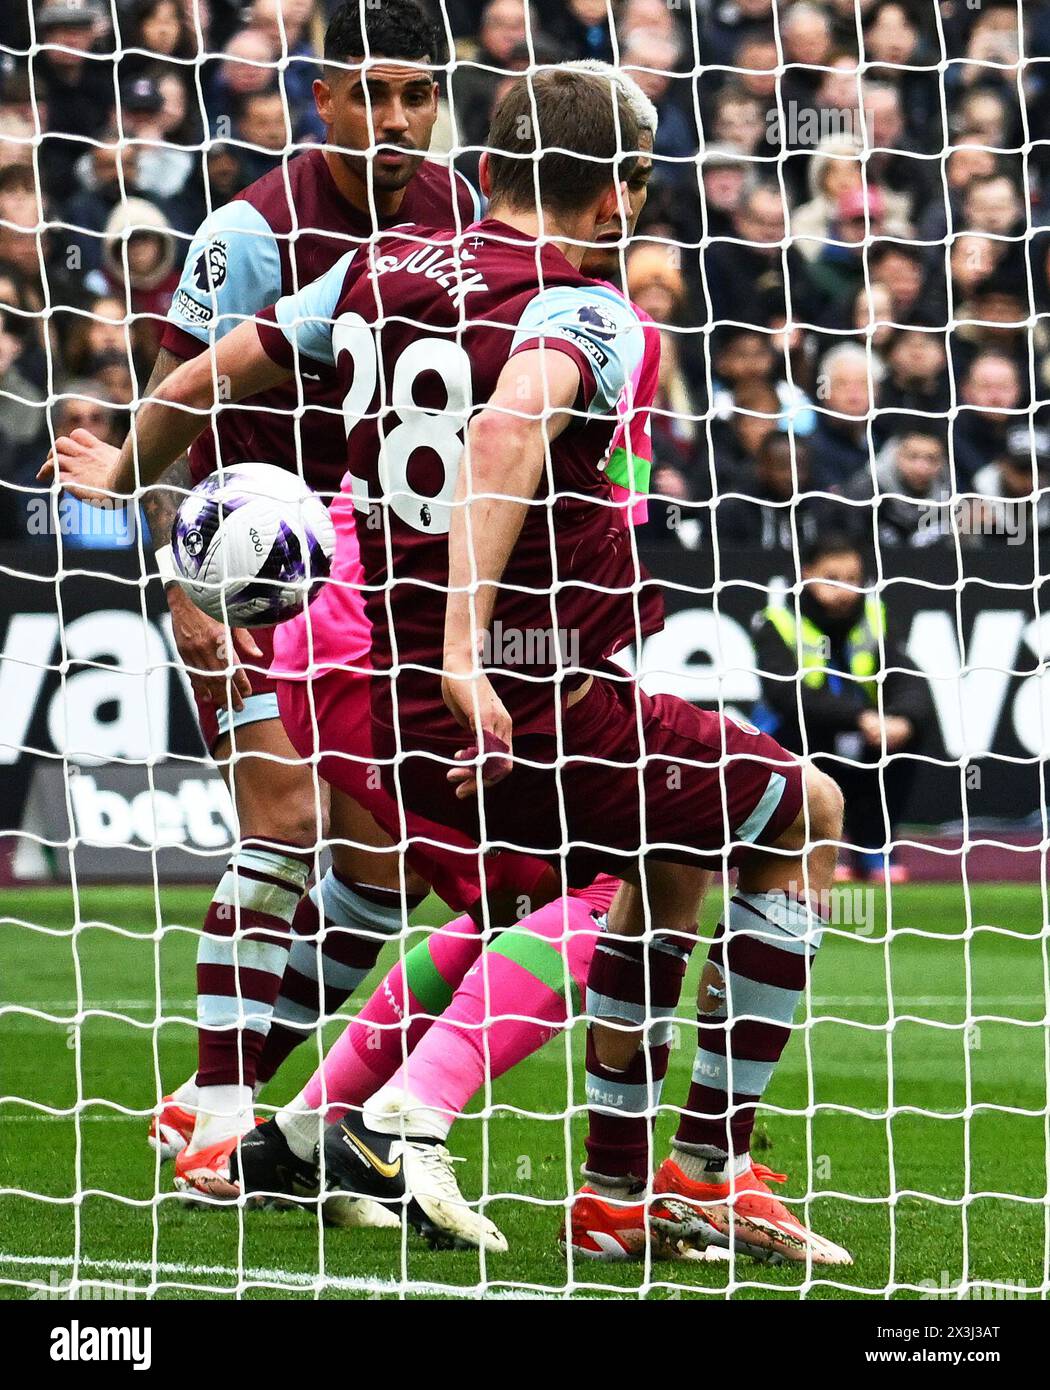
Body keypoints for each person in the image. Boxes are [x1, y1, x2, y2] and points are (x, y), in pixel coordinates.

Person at [51, 67, 853, 1267]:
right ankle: (689, 1161)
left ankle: (613, 1188)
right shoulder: (582, 306)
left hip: (407, 700)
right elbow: (508, 423)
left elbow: (210, 371)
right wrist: (470, 645)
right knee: (806, 809)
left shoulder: (389, 266)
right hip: (524, 703)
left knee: (651, 866)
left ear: (487, 167)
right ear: (618, 198)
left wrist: (126, 481)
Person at [45, 0, 483, 1201]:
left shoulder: (460, 216)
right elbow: (177, 392)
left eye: (414, 95)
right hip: (252, 568)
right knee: (286, 824)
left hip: (387, 576)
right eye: (367, 94)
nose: (393, 119)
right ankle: (223, 1119)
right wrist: (181, 581)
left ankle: (223, 1093)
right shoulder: (251, 230)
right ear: (320, 95)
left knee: (386, 868)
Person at [752, 534, 931, 882]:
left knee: (909, 731)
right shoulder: (777, 621)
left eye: (852, 579)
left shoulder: (874, 616)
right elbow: (784, 694)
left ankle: (874, 845)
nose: (845, 590)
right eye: (831, 579)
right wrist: (858, 717)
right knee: (804, 732)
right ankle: (814, 847)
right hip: (796, 738)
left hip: (863, 737)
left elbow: (907, 677)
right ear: (806, 574)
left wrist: (902, 720)